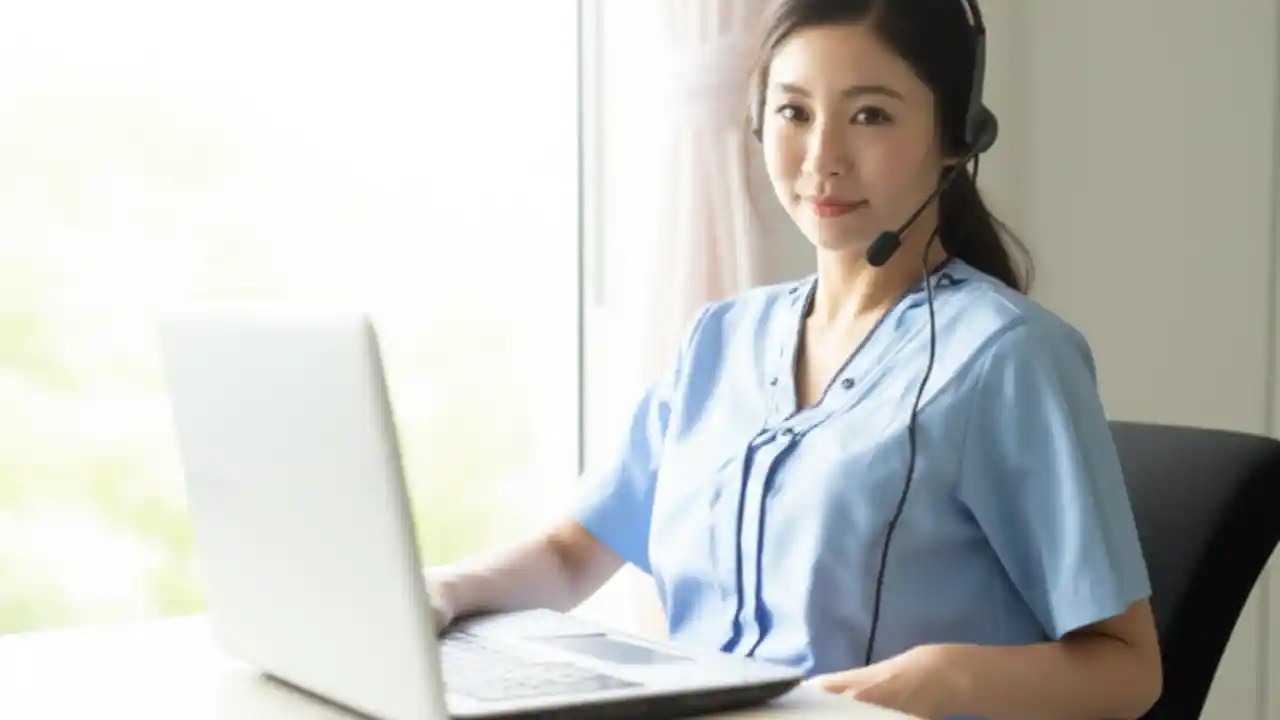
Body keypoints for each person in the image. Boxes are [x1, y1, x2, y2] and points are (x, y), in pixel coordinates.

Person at [426, 1, 1163, 718]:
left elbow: (1128, 670)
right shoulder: (720, 340)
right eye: (794, 112)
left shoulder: (1007, 357)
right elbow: (569, 556)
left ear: (956, 136)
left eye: (870, 115)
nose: (822, 159)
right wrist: (437, 593)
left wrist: (942, 680)